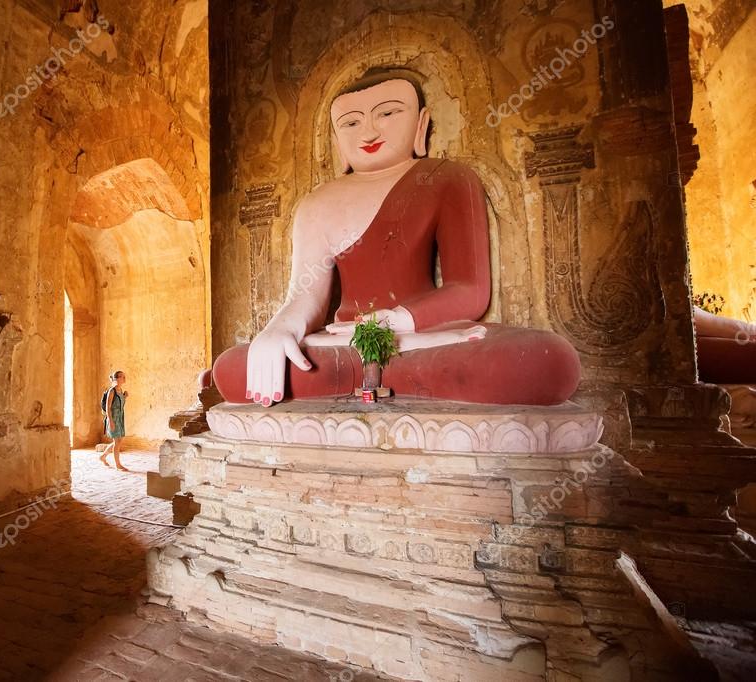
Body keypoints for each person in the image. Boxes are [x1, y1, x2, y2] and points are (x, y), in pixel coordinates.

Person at [212, 68, 581, 406]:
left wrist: (398, 324)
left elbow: (470, 290)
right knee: (234, 368)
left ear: (421, 125)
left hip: (426, 337)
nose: (369, 132)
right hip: (344, 343)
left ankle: (378, 371)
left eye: (388, 114)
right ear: (337, 140)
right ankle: (382, 372)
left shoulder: (446, 178)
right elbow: (305, 296)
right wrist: (278, 331)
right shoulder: (317, 203)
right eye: (351, 122)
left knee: (544, 362)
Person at [100, 370, 129, 471]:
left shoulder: (120, 390)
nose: (124, 378)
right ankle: (118, 465)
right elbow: (108, 407)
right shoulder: (112, 391)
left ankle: (103, 456)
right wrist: (111, 421)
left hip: (120, 418)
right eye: (122, 376)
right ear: (117, 378)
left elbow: (120, 404)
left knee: (118, 441)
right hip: (113, 418)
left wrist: (125, 396)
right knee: (117, 442)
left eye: (124, 376)